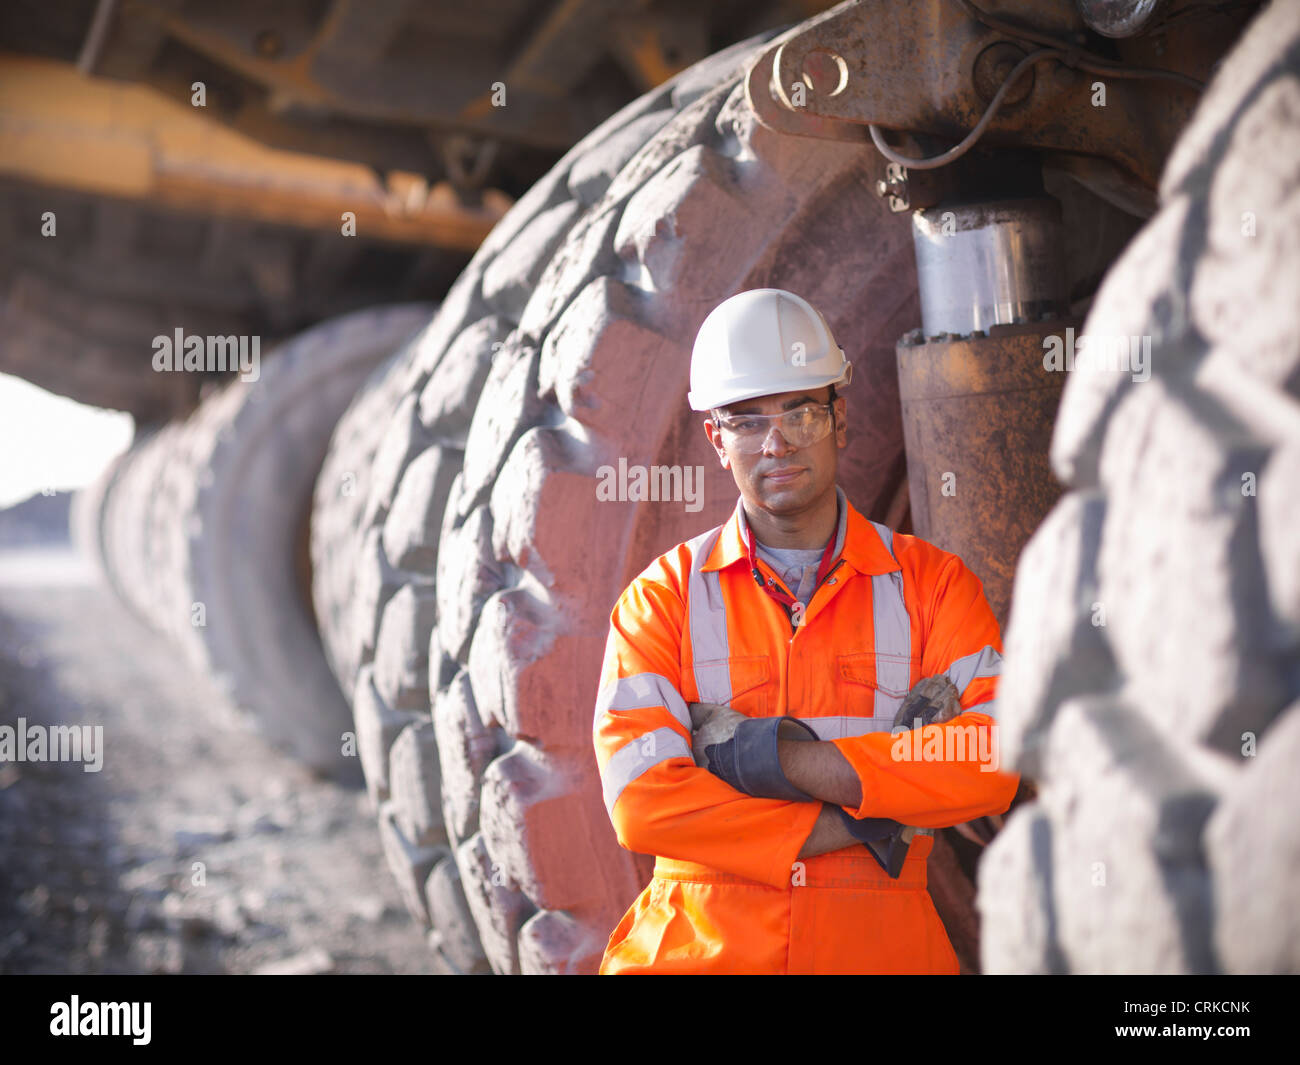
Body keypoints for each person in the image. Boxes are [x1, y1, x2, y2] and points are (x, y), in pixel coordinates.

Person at [591, 288, 1019, 974]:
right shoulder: (662, 599)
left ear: (839, 419)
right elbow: (642, 801)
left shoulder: (931, 587)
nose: (777, 440)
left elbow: (992, 757)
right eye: (747, 419)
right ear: (716, 437)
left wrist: (772, 758)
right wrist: (864, 816)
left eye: (800, 410)